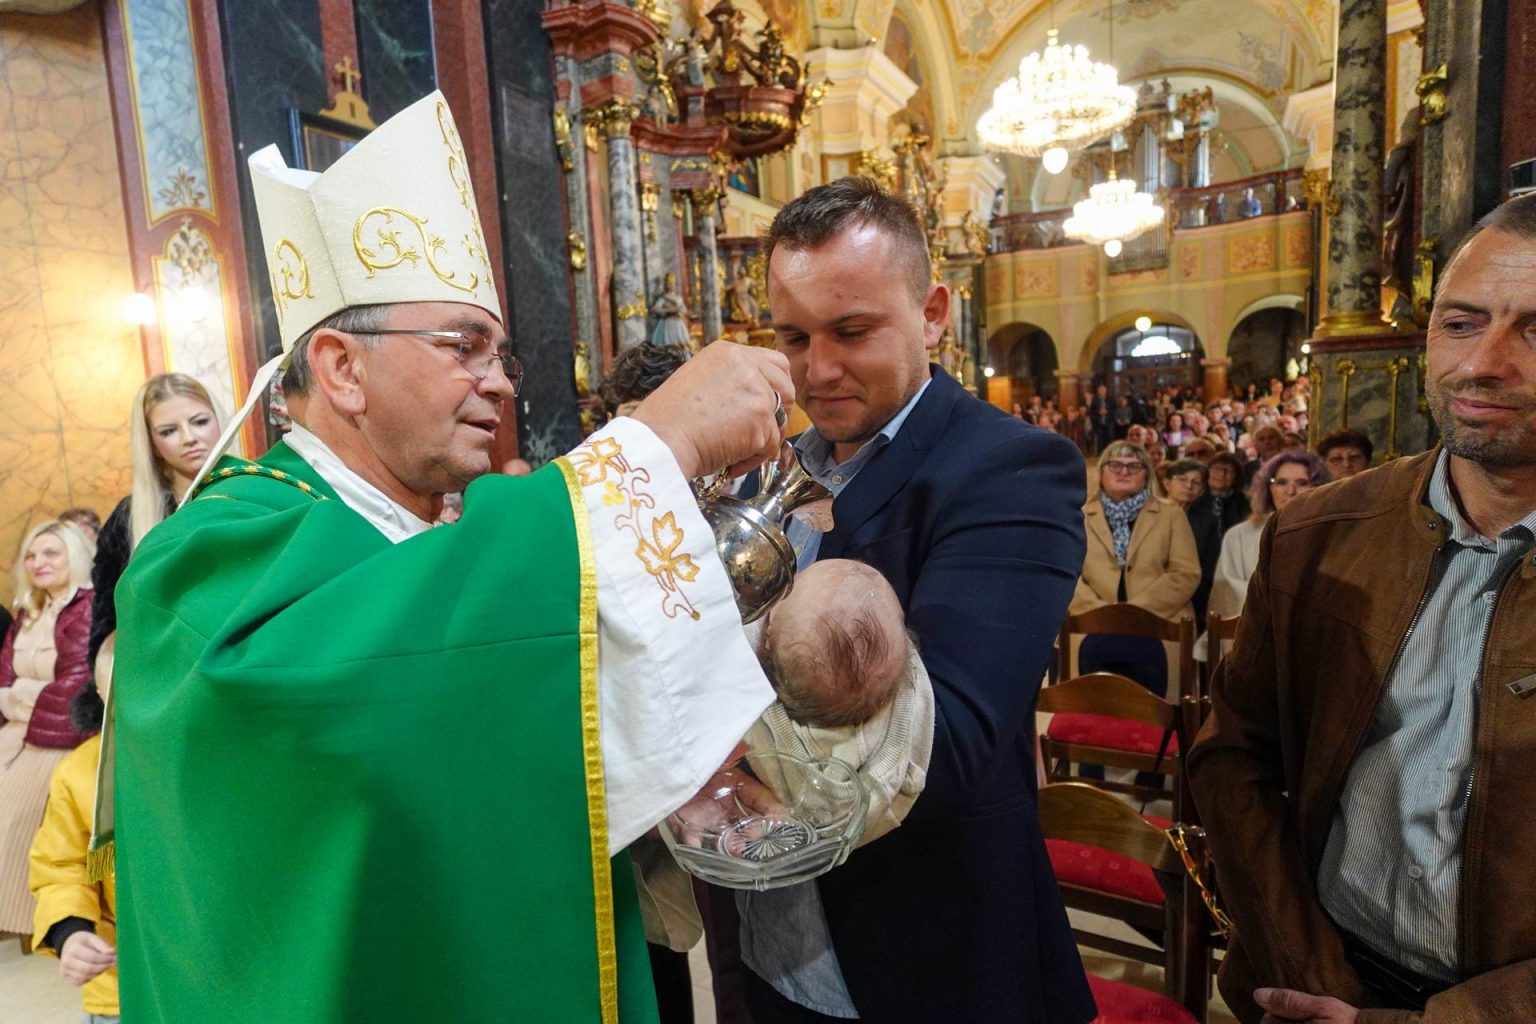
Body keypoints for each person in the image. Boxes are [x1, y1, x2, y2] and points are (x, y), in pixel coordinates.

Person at [110, 92, 791, 1023]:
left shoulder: (440, 528)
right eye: (464, 346)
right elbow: (340, 718)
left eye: (503, 355)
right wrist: (655, 443)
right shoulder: (206, 554)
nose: (501, 383)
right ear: (343, 369)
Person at [743, 176, 1094, 1022]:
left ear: (933, 312)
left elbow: (946, 749)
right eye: (792, 337)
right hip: (778, 940)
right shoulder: (775, 466)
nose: (815, 369)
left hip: (934, 949)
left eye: (852, 331)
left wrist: (712, 730)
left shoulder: (1010, 467)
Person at [1188, 194, 1536, 1022]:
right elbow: (1234, 758)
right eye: (1460, 322)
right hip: (1317, 982)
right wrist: (1315, 979)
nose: (1483, 363)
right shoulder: (1320, 532)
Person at [0, 521, 95, 938]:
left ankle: (42, 923)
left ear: (74, 555)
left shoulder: (89, 607)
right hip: (17, 736)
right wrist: (25, 694)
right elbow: (3, 679)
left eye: (51, 553)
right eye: (32, 555)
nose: (39, 563)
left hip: (61, 741)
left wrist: (17, 696)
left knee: (11, 817)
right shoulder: (27, 612)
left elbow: (74, 688)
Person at [89, 373, 222, 671]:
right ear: (151, 441)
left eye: (200, 421)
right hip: (163, 676)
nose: (190, 438)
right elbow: (107, 620)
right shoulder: (130, 519)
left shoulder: (257, 492)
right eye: (168, 431)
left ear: (219, 419)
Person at [1070, 442, 1201, 701]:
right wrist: (1102, 614)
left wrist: (1133, 614)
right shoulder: (1079, 516)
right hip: (1090, 624)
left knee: (1154, 713)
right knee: (1096, 710)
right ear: (1101, 472)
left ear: (1147, 474)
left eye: (1134, 466)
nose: (1124, 471)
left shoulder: (1170, 514)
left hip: (1159, 624)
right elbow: (1068, 574)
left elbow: (1185, 572)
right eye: (1115, 464)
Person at [29, 638, 117, 1023]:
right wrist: (71, 931)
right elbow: (62, 867)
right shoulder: (83, 776)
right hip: (119, 982)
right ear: (100, 696)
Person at [1208, 451, 1327, 621]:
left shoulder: (1331, 534)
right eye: (1281, 482)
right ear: (1268, 487)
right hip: (1249, 631)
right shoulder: (1239, 535)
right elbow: (1228, 591)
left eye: (1302, 483)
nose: (1290, 491)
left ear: (1319, 487)